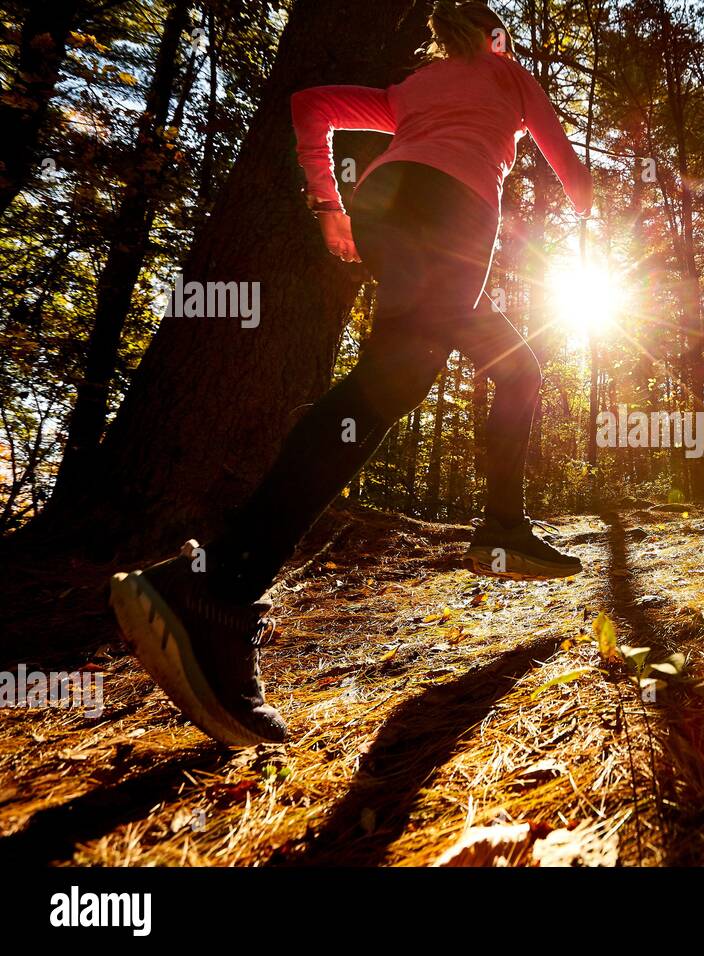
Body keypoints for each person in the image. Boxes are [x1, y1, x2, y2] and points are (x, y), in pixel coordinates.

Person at [108, 1, 593, 747]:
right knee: (388, 388)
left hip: (390, 207)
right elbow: (566, 162)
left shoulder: (412, 89)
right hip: (456, 217)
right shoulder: (510, 76)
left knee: (508, 370)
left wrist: (328, 208)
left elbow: (312, 106)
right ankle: (216, 589)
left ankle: (503, 529)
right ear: (495, 38)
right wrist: (590, 231)